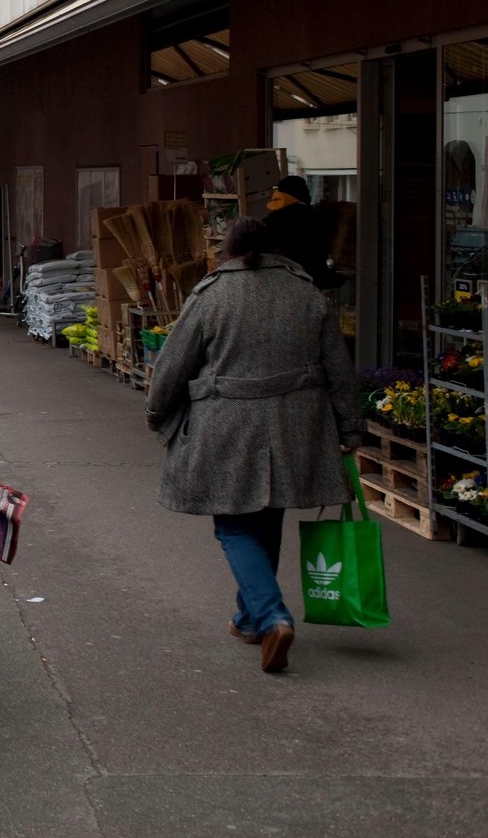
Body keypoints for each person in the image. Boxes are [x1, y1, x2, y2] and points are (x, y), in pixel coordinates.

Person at [146, 216, 363, 674]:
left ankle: (270, 617)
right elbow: (340, 369)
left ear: (230, 251)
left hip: (228, 424)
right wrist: (348, 430)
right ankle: (248, 618)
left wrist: (155, 410)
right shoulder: (307, 295)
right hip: (295, 424)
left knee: (234, 526)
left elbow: (173, 364)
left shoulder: (212, 296)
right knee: (268, 515)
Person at [263, 176, 341, 289]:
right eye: (306, 190)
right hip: (308, 279)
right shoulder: (311, 217)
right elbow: (318, 251)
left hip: (281, 281)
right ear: (301, 192)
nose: (309, 194)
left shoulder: (271, 219)